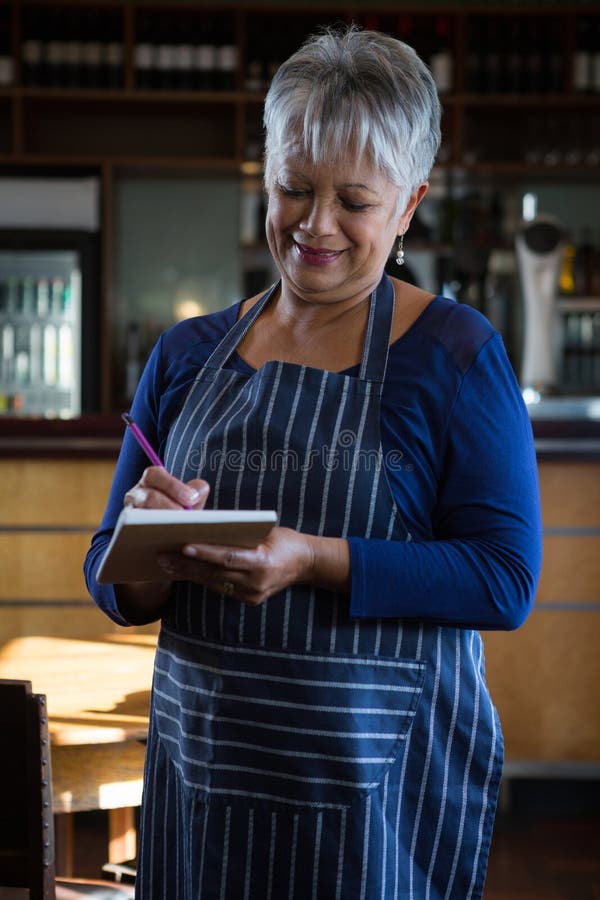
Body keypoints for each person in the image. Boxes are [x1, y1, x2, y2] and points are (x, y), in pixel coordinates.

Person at [85, 25, 542, 900]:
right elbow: (113, 583)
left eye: (355, 202)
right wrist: (144, 539)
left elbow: (502, 580)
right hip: (203, 785)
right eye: (294, 188)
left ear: (409, 205)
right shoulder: (188, 354)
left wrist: (311, 559)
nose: (315, 225)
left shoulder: (454, 353)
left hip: (376, 806)